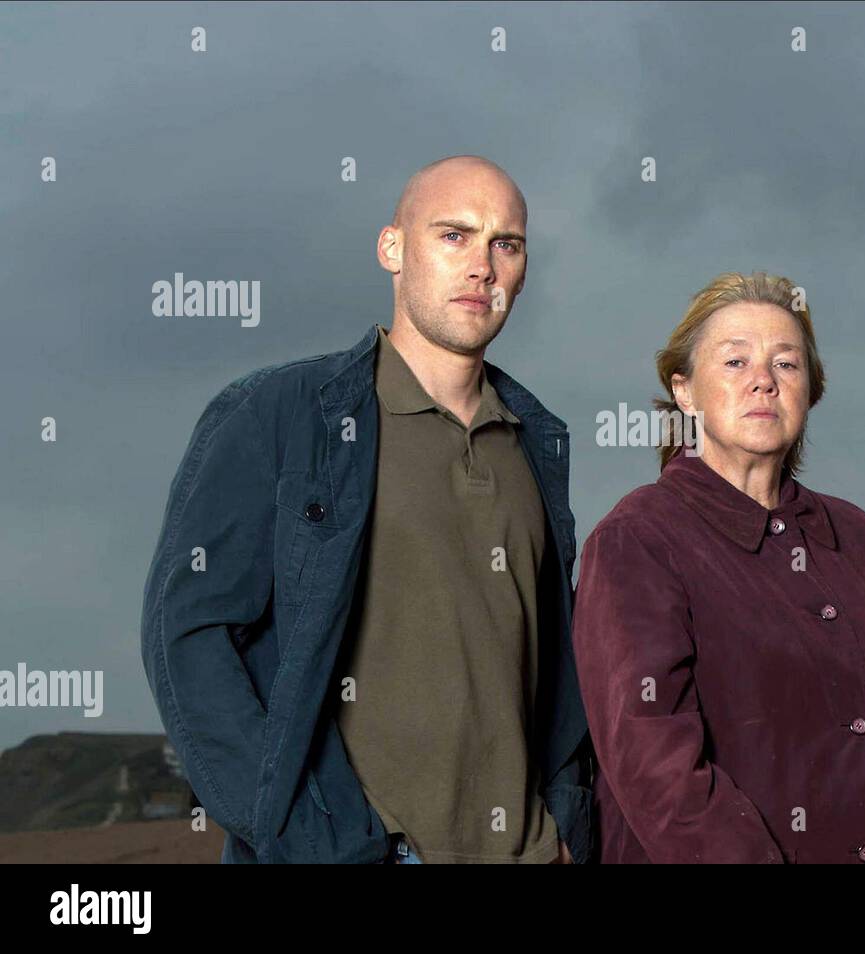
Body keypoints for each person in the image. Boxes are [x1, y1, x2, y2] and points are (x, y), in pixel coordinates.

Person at [141, 156, 593, 864]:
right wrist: (306, 834)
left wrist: (563, 828)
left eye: (505, 244)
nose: (482, 266)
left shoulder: (535, 442)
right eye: (453, 236)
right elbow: (190, 634)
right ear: (393, 249)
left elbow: (560, 672)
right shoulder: (284, 416)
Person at [570, 271, 865, 863]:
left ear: (811, 391)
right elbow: (655, 767)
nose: (763, 381)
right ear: (685, 391)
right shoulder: (636, 542)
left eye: (786, 365)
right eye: (735, 362)